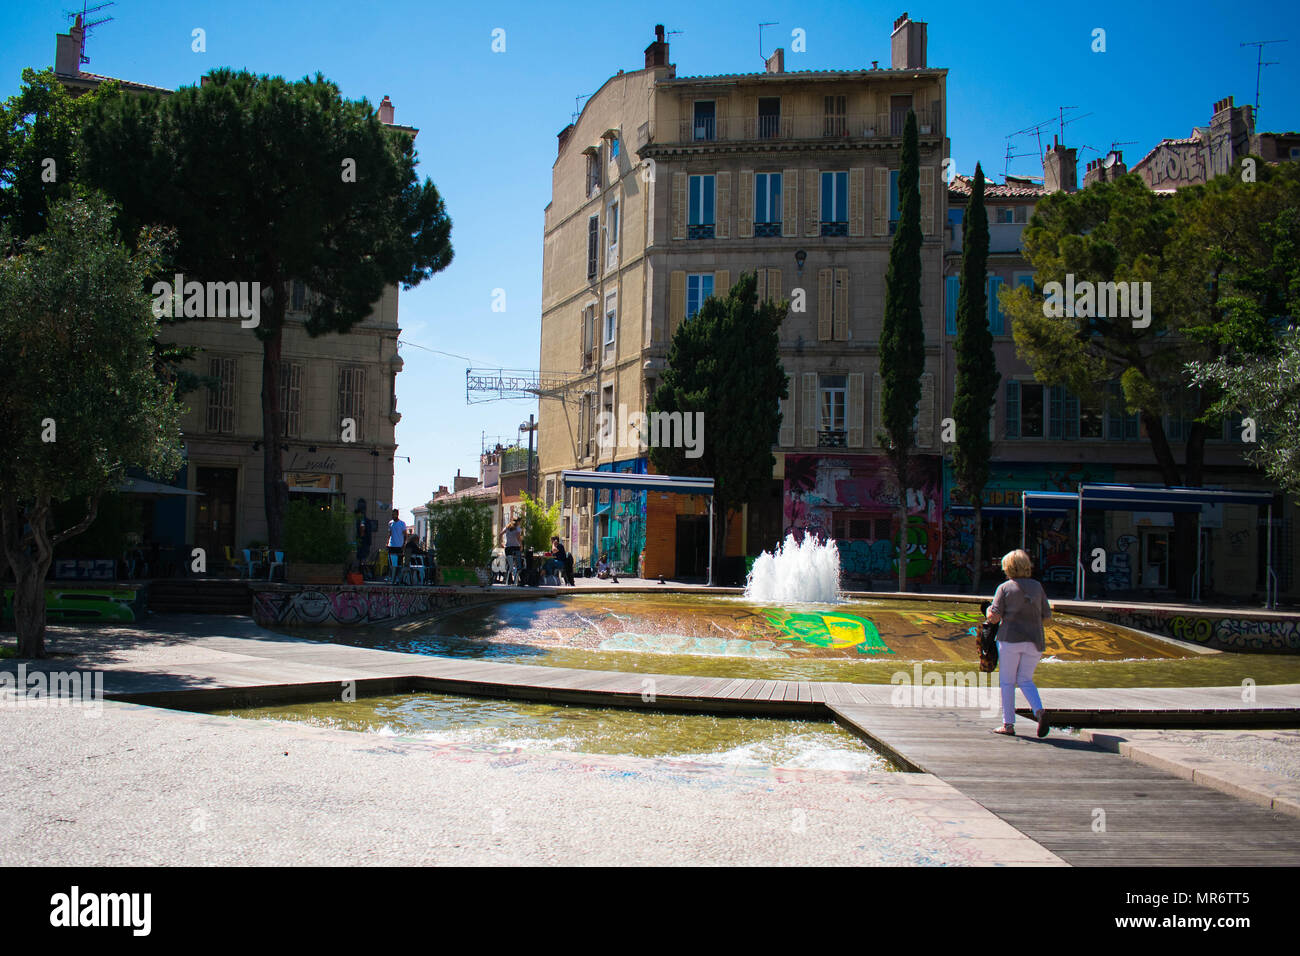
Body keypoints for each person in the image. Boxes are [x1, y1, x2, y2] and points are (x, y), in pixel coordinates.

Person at [985, 549, 1052, 738]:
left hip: (1010, 639)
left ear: (1008, 567)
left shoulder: (1004, 588)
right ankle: (1039, 712)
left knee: (1007, 682)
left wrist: (989, 611)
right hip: (1035, 641)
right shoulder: (1038, 587)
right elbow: (1047, 617)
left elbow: (995, 617)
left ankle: (1008, 724)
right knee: (1025, 679)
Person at [386, 509, 407, 583]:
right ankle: (391, 577)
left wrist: (404, 544)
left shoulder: (402, 523)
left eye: (394, 514)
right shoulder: (390, 523)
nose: (393, 516)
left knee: (399, 563)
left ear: (397, 514)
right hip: (391, 545)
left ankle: (398, 578)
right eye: (392, 514)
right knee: (391, 563)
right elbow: (389, 534)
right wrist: (387, 542)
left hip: (399, 546)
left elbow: (405, 534)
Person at [501, 518, 523, 583]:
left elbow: (500, 534)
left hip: (508, 548)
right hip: (516, 548)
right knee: (518, 565)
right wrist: (521, 546)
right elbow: (518, 538)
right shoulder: (518, 528)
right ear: (518, 522)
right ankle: (517, 581)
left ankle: (508, 580)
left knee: (510, 565)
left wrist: (501, 543)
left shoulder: (507, 527)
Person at [354, 498, 372, 567]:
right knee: (363, 560)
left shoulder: (362, 520)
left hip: (363, 543)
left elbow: (362, 530)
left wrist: (360, 539)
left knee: (361, 560)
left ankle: (361, 573)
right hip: (365, 542)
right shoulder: (365, 520)